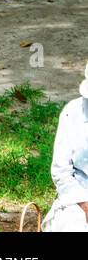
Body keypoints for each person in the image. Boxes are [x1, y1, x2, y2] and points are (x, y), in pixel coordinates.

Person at [43, 62, 88, 232]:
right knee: (73, 225)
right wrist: (84, 204)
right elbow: (61, 170)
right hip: (78, 196)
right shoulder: (73, 112)